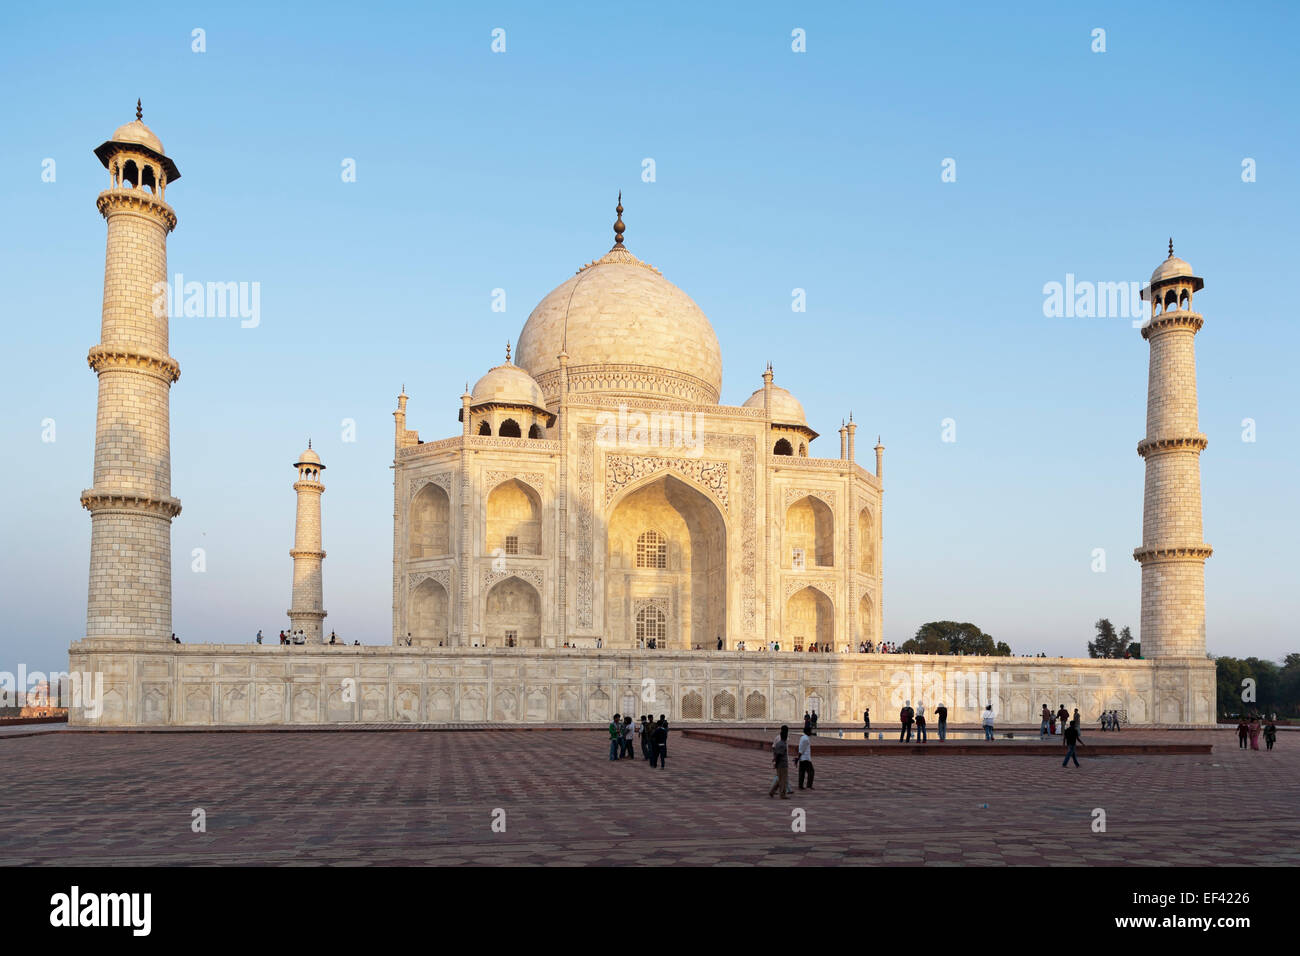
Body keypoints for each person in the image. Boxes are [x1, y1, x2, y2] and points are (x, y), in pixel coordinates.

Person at [769, 725, 790, 798]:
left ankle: (772, 791)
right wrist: (776, 761)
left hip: (780, 763)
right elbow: (779, 754)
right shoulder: (782, 744)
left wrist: (775, 760)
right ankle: (782, 794)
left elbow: (775, 751)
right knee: (783, 780)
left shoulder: (779, 743)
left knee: (780, 779)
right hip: (782, 764)